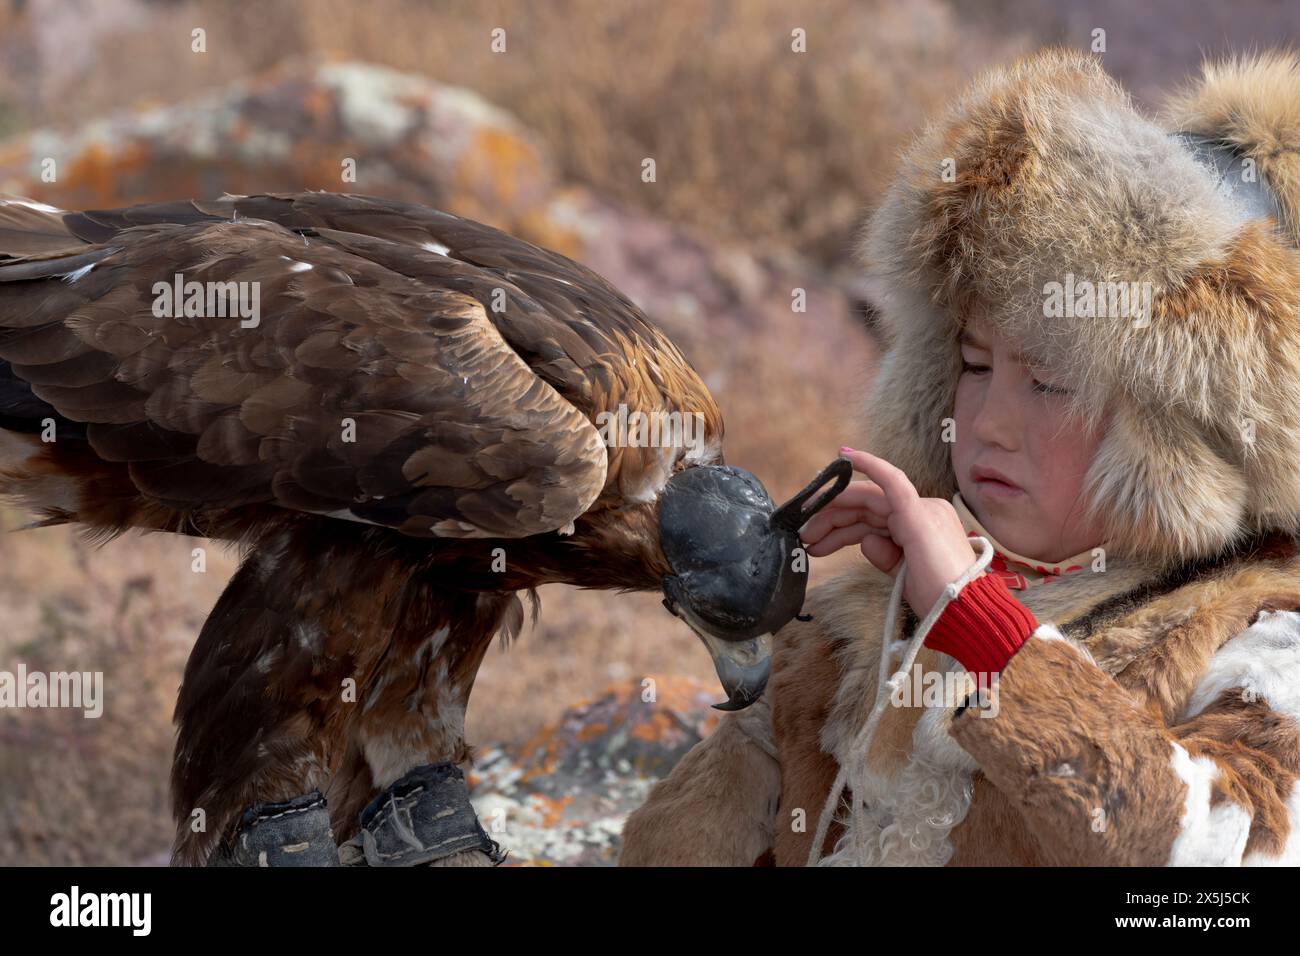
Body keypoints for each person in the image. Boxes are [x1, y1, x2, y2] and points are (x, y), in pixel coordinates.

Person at [618, 47, 1300, 866]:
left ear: (1176, 433)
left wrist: (985, 631)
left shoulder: (1258, 640)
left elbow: (1203, 865)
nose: (987, 425)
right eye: (973, 366)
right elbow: (679, 847)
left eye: (1048, 381)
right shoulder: (870, 618)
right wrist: (829, 632)